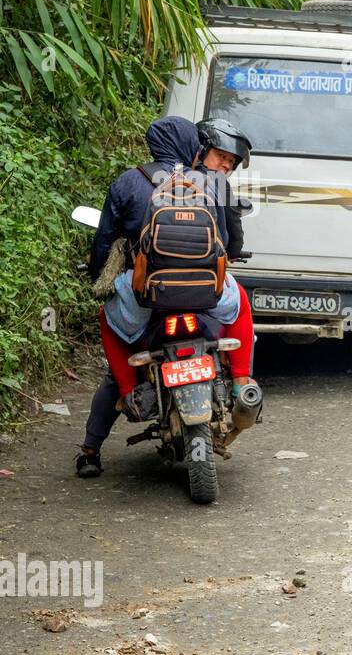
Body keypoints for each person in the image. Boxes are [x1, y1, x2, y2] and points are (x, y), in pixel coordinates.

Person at [76, 117, 258, 478]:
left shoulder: (129, 181)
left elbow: (104, 240)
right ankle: (241, 382)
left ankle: (96, 443)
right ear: (194, 145)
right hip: (204, 293)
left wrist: (98, 272)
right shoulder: (212, 183)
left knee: (112, 331)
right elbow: (227, 240)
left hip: (145, 296)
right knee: (239, 303)